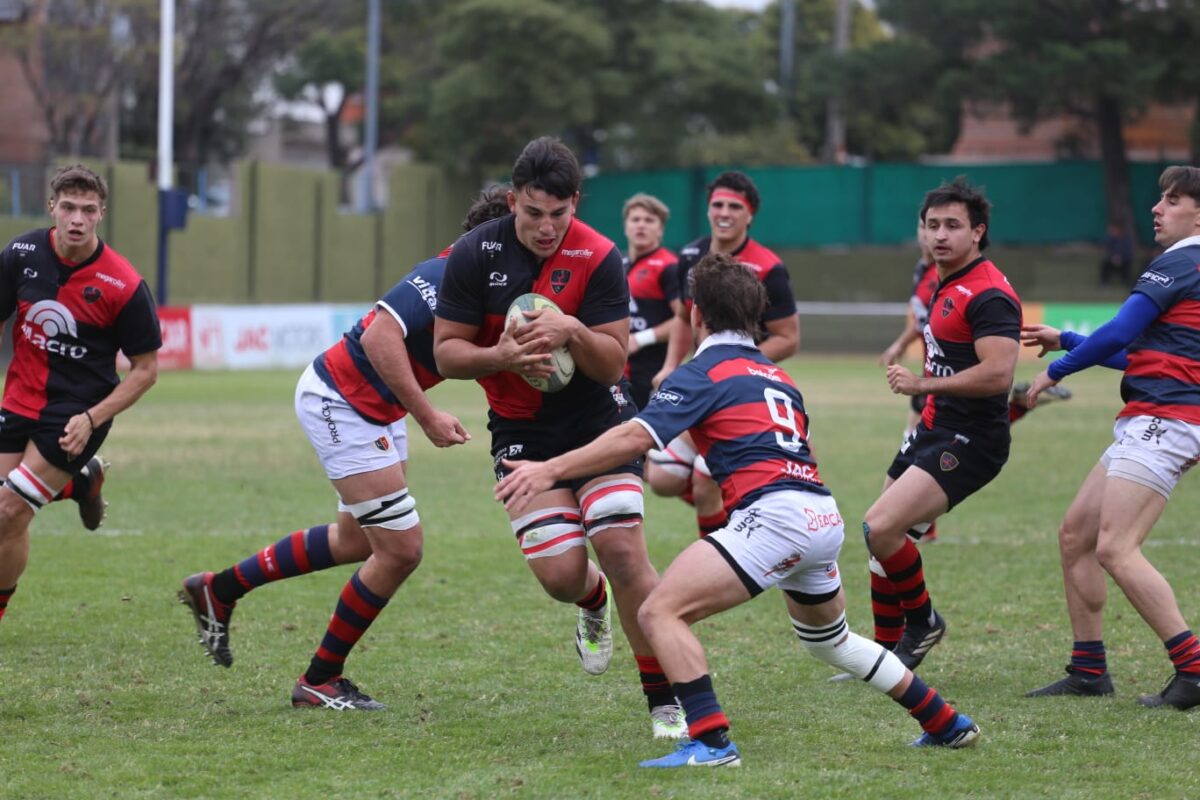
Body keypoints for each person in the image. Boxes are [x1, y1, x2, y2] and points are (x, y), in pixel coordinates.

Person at [495, 254, 980, 768]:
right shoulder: (776, 376)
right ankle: (946, 722)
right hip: (820, 515)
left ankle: (711, 742)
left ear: (696, 315)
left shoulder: (702, 372)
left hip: (775, 518)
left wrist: (548, 470)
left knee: (659, 611)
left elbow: (635, 436)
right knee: (831, 643)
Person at [177, 186, 509, 710]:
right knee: (402, 549)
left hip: (374, 406)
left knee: (355, 541)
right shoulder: (450, 270)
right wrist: (426, 414)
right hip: (342, 400)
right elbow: (380, 336)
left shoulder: (484, 284)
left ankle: (219, 589)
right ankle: (320, 679)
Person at [433, 138, 682, 738]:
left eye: (559, 214)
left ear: (576, 202)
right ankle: (590, 602)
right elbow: (445, 353)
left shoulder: (599, 255)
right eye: (533, 214)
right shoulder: (473, 253)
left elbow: (612, 365)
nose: (546, 228)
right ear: (513, 200)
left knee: (623, 551)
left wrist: (572, 328)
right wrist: (501, 355)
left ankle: (666, 700)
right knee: (561, 577)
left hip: (599, 421)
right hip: (521, 430)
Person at [1023, 165, 1200, 710]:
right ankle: (1089, 670)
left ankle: (1193, 669)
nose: (1157, 208)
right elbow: (1141, 355)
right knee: (1076, 535)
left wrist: (1058, 368)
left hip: (1164, 421)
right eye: (1159, 199)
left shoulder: (1182, 262)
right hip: (1156, 414)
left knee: (1116, 547)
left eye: (1172, 200)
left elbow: (1121, 331)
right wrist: (1071, 339)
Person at [859, 179, 1022, 672]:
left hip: (971, 440)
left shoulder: (989, 292)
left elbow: (998, 374)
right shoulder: (942, 280)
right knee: (880, 540)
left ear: (978, 232)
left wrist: (921, 386)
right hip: (935, 429)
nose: (940, 235)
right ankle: (886, 657)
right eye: (932, 226)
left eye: (953, 225)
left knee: (882, 528)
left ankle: (924, 622)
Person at [0, 164, 160, 627]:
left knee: (10, 511)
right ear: (52, 207)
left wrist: (92, 418)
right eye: (68, 207)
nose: (76, 218)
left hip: (75, 414)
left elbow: (146, 371)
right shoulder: (21, 253)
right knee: (7, 508)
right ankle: (79, 483)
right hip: (18, 400)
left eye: (87, 210)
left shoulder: (122, 284)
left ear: (100, 214)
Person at [646, 171, 799, 539]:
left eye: (735, 206)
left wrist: (738, 367)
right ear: (708, 209)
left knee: (705, 482)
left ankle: (723, 551)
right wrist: (670, 366)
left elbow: (789, 338)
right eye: (718, 204)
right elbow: (684, 316)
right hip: (702, 384)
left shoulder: (768, 267)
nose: (724, 213)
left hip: (742, 393)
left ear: (750, 216)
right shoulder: (690, 255)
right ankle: (732, 519)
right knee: (664, 477)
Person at [622, 193, 681, 411]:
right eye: (635, 220)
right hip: (618, 371)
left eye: (649, 220)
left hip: (652, 371)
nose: (641, 226)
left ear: (661, 229)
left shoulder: (669, 266)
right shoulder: (618, 263)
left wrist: (640, 339)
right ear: (626, 226)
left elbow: (684, 319)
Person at [1098, 221, 1134, 287]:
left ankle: (1127, 282)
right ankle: (1104, 283)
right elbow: (1108, 250)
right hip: (1112, 261)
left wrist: (1121, 258)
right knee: (1105, 264)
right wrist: (1113, 257)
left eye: (1114, 230)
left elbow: (1128, 253)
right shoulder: (1111, 239)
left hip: (1124, 261)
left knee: (1127, 266)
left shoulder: (1126, 240)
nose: (1112, 232)